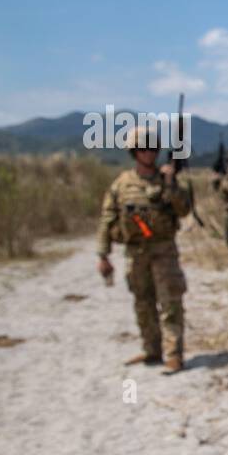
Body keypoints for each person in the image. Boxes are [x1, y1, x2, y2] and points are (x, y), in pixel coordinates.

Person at [96, 124, 191, 374]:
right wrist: (103, 255)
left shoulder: (167, 180)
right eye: (142, 148)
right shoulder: (122, 185)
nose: (148, 152)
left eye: (152, 148)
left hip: (164, 251)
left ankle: (174, 355)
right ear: (134, 152)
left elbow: (184, 210)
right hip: (135, 253)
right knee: (143, 302)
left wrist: (171, 184)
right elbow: (107, 218)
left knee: (170, 303)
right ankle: (152, 349)